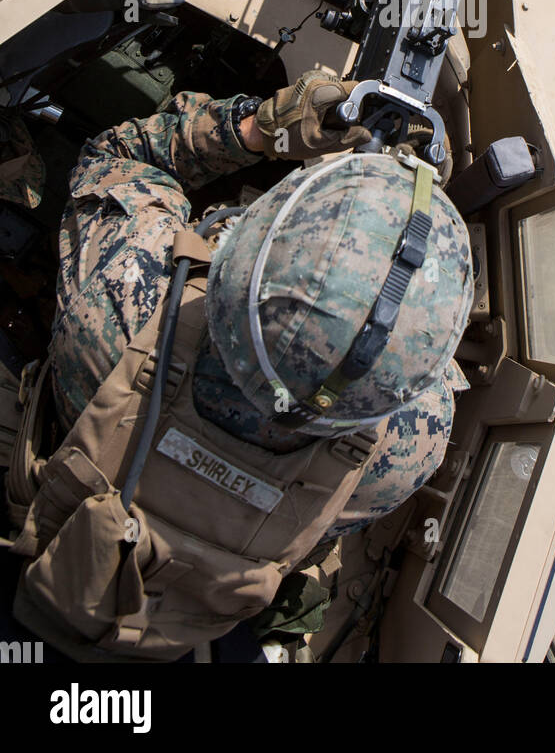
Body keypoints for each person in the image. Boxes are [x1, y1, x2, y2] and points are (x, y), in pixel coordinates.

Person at [5, 73, 473, 661]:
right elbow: (414, 352)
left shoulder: (129, 297)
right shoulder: (413, 446)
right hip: (172, 619)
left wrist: (260, 129)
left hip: (56, 539)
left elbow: (116, 153)